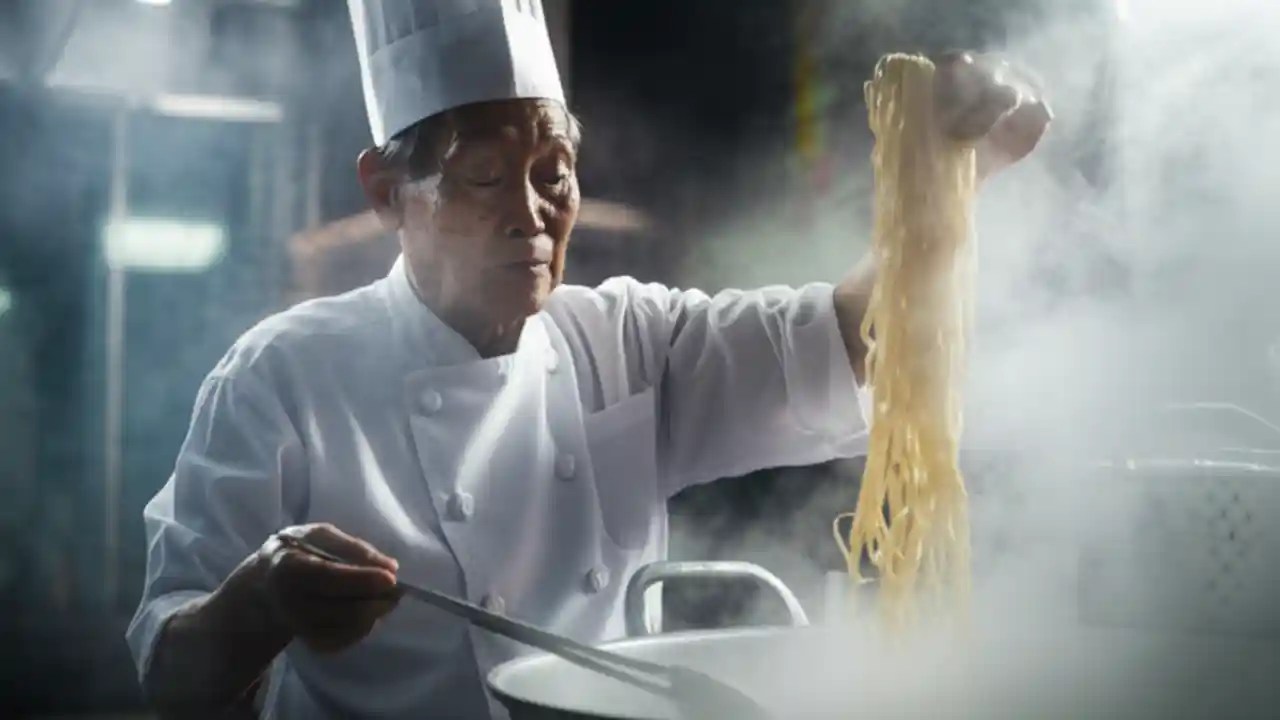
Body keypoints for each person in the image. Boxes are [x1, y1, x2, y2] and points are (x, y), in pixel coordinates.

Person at [126, 1, 1052, 717]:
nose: (531, 213)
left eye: (552, 173)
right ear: (387, 193)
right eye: (485, 175)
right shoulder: (281, 377)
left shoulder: (623, 341)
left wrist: (954, 168)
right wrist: (261, 603)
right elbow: (171, 668)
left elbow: (851, 339)